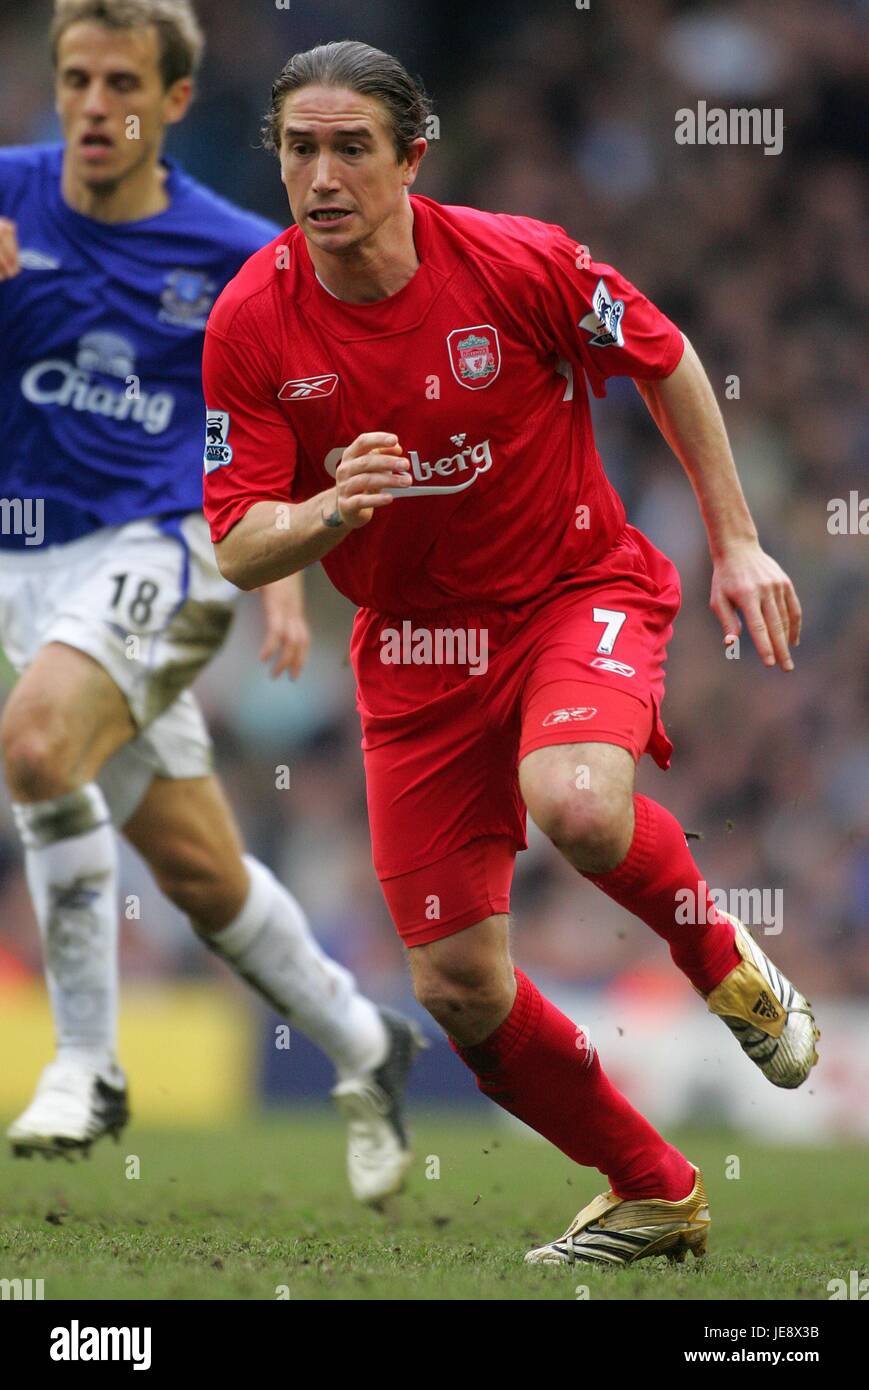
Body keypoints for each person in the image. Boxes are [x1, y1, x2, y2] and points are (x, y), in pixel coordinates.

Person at [202, 39, 820, 1266]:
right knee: (455, 988)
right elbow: (237, 542)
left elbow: (667, 356)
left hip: (568, 592)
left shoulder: (517, 261)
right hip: (411, 660)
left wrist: (736, 541)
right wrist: (326, 513)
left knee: (577, 805)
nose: (321, 175)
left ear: (410, 157)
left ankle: (722, 959)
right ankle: (651, 1187)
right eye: (297, 149)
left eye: (349, 148)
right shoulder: (251, 321)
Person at [0, 4, 422, 1206]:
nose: (92, 103)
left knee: (36, 746)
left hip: (166, 551)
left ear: (173, 101)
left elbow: (293, 421)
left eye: (120, 80)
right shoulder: (7, 203)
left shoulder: (242, 253)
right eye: (74, 77)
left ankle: (85, 1060)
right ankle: (362, 1040)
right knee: (198, 870)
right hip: (24, 573)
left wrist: (283, 568)